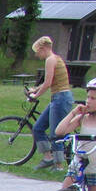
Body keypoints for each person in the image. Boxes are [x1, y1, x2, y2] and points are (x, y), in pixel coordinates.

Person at [28, 36, 74, 171]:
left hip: (61, 98)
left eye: (37, 51)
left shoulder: (50, 60)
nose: (37, 55)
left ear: (43, 49)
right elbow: (49, 81)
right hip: (58, 98)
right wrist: (35, 89)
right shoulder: (55, 59)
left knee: (56, 133)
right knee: (38, 127)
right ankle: (48, 158)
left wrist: (35, 95)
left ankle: (58, 165)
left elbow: (48, 84)